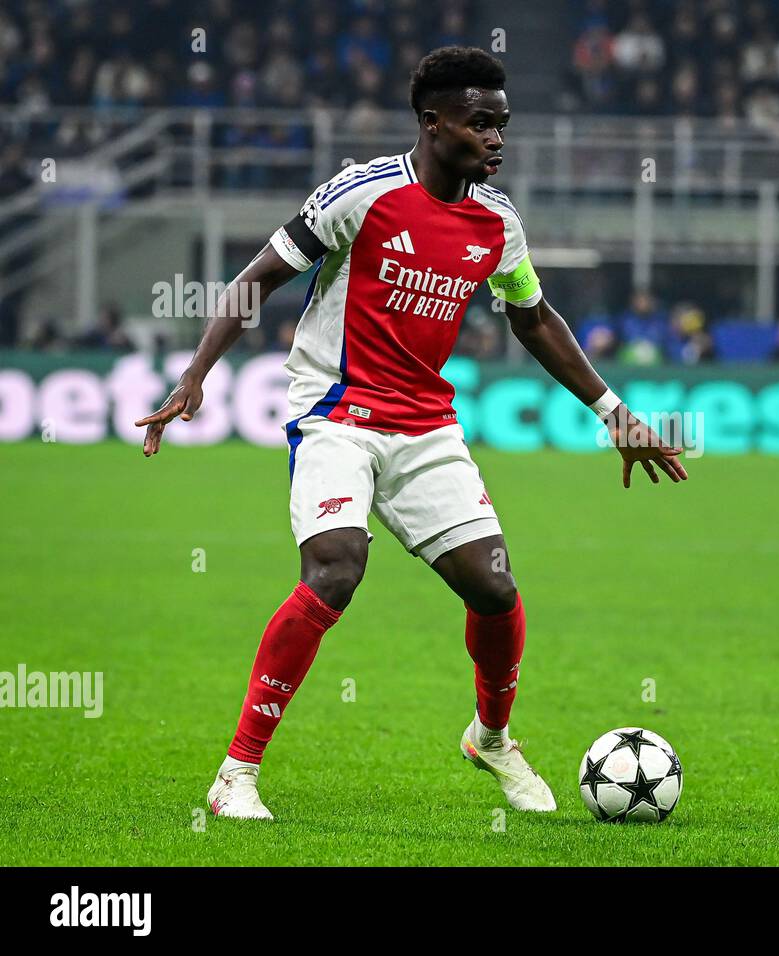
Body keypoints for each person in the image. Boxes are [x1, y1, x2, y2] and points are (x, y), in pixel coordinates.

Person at [134, 47, 688, 821]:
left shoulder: (497, 223)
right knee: (335, 568)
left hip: (425, 425)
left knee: (494, 586)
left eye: (502, 125)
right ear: (434, 124)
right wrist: (194, 375)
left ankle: (491, 738)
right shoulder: (361, 195)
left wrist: (614, 412)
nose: (497, 139)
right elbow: (258, 276)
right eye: (481, 124)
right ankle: (236, 776)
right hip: (337, 414)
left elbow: (531, 317)